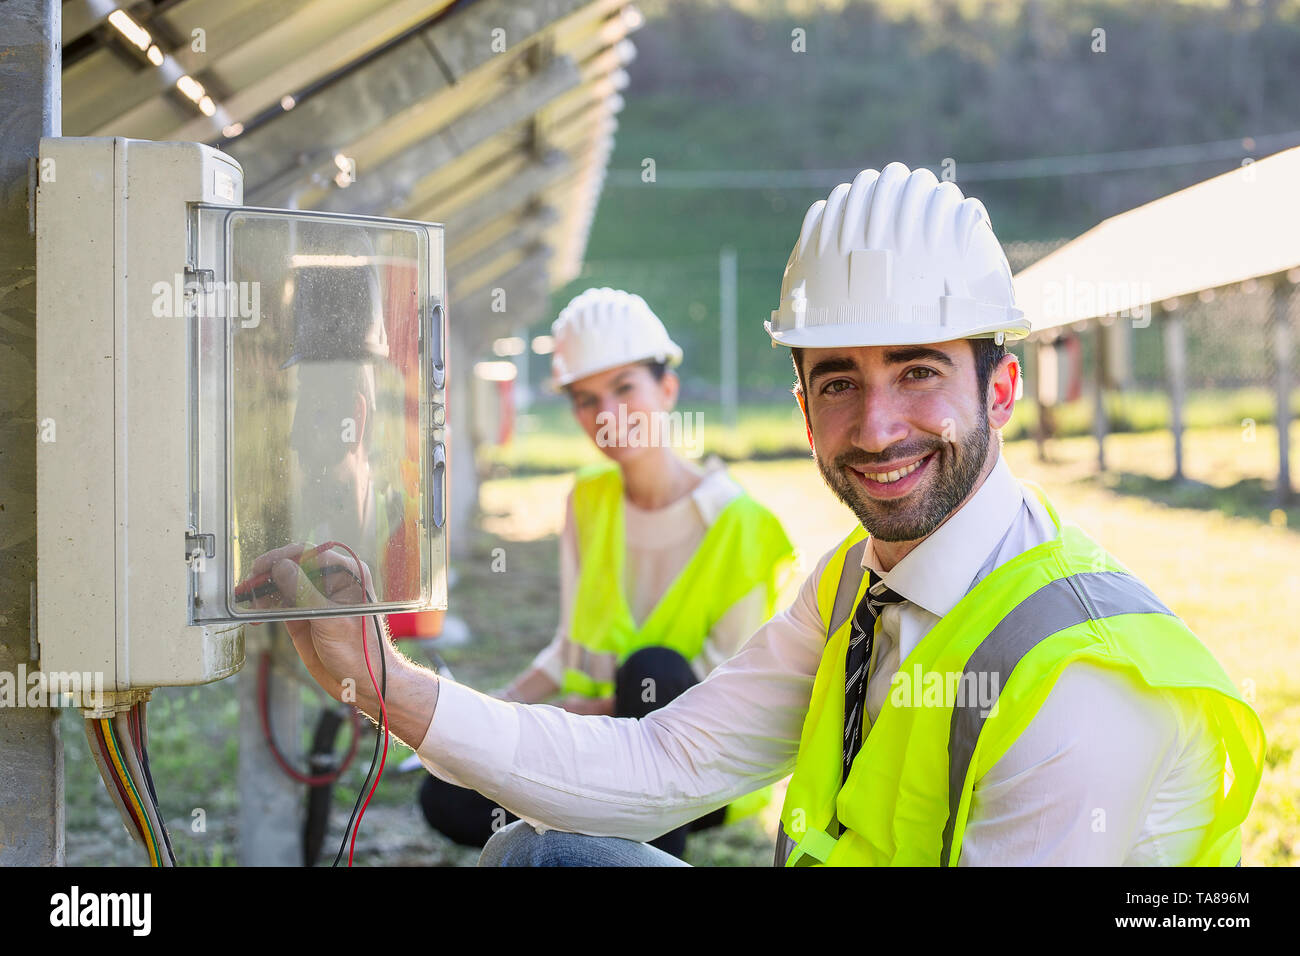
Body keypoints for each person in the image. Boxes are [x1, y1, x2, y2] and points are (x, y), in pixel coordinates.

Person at [265, 162, 1265, 866]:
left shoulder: (1078, 679)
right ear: (802, 407)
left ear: (1000, 390)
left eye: (919, 372)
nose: (876, 428)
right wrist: (384, 681)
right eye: (839, 382)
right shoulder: (854, 585)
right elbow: (662, 759)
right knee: (537, 855)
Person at [416, 287, 796, 857]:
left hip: (696, 765)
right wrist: (495, 709)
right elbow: (572, 646)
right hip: (596, 749)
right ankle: (595, 835)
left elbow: (727, 704)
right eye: (586, 399)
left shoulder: (743, 524)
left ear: (667, 389)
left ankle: (629, 845)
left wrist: (580, 721)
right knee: (446, 793)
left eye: (624, 388)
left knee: (656, 669)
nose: (608, 416)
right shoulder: (589, 499)